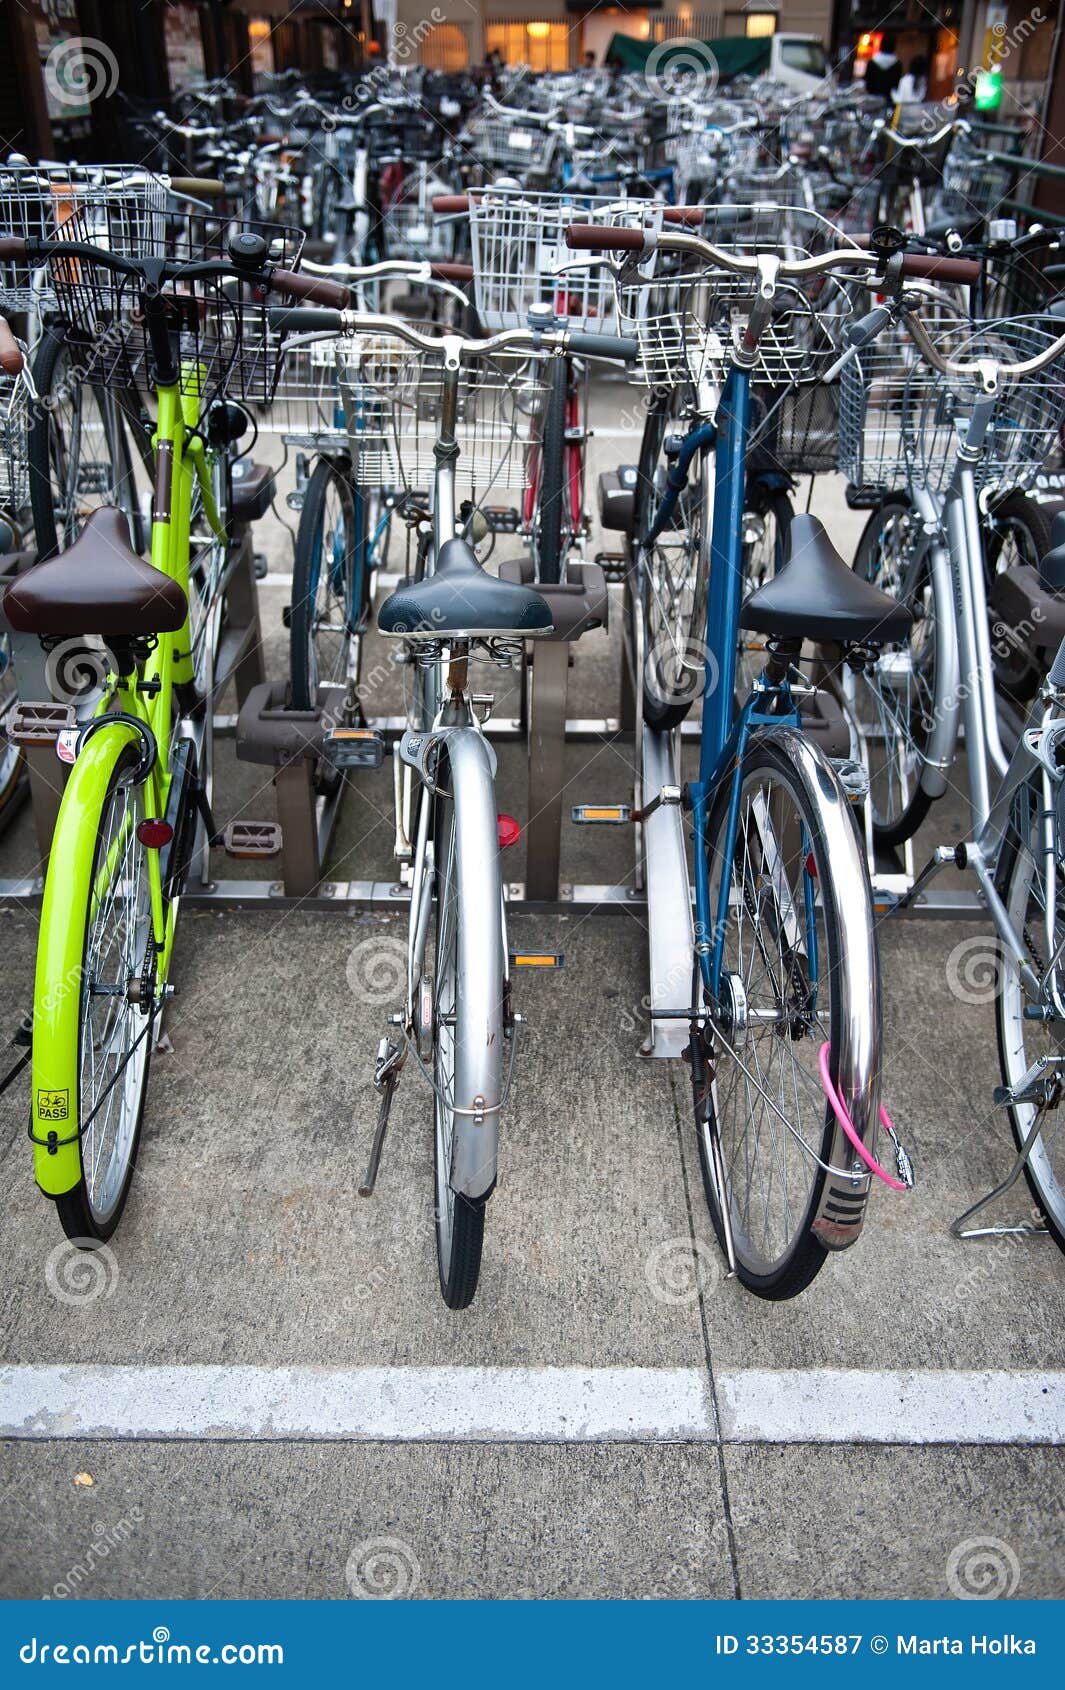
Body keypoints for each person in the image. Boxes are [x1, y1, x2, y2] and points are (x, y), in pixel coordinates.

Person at [865, 34, 902, 101]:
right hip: (889, 99)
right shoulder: (897, 64)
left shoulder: (872, 62)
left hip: (872, 99)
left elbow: (867, 82)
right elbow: (896, 85)